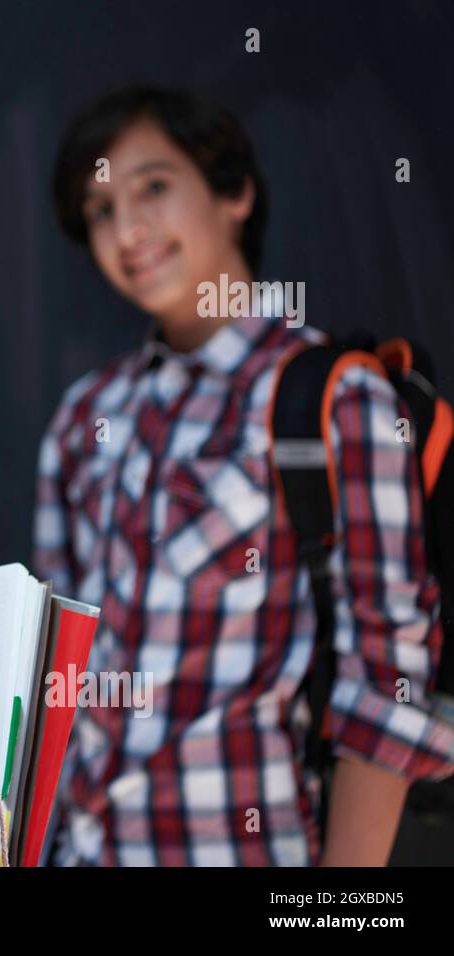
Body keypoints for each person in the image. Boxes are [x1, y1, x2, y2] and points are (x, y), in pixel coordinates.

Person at [36, 85, 454, 865]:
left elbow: (389, 688)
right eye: (99, 210)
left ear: (234, 192)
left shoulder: (332, 399)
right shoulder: (83, 419)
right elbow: (57, 671)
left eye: (153, 187)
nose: (128, 232)